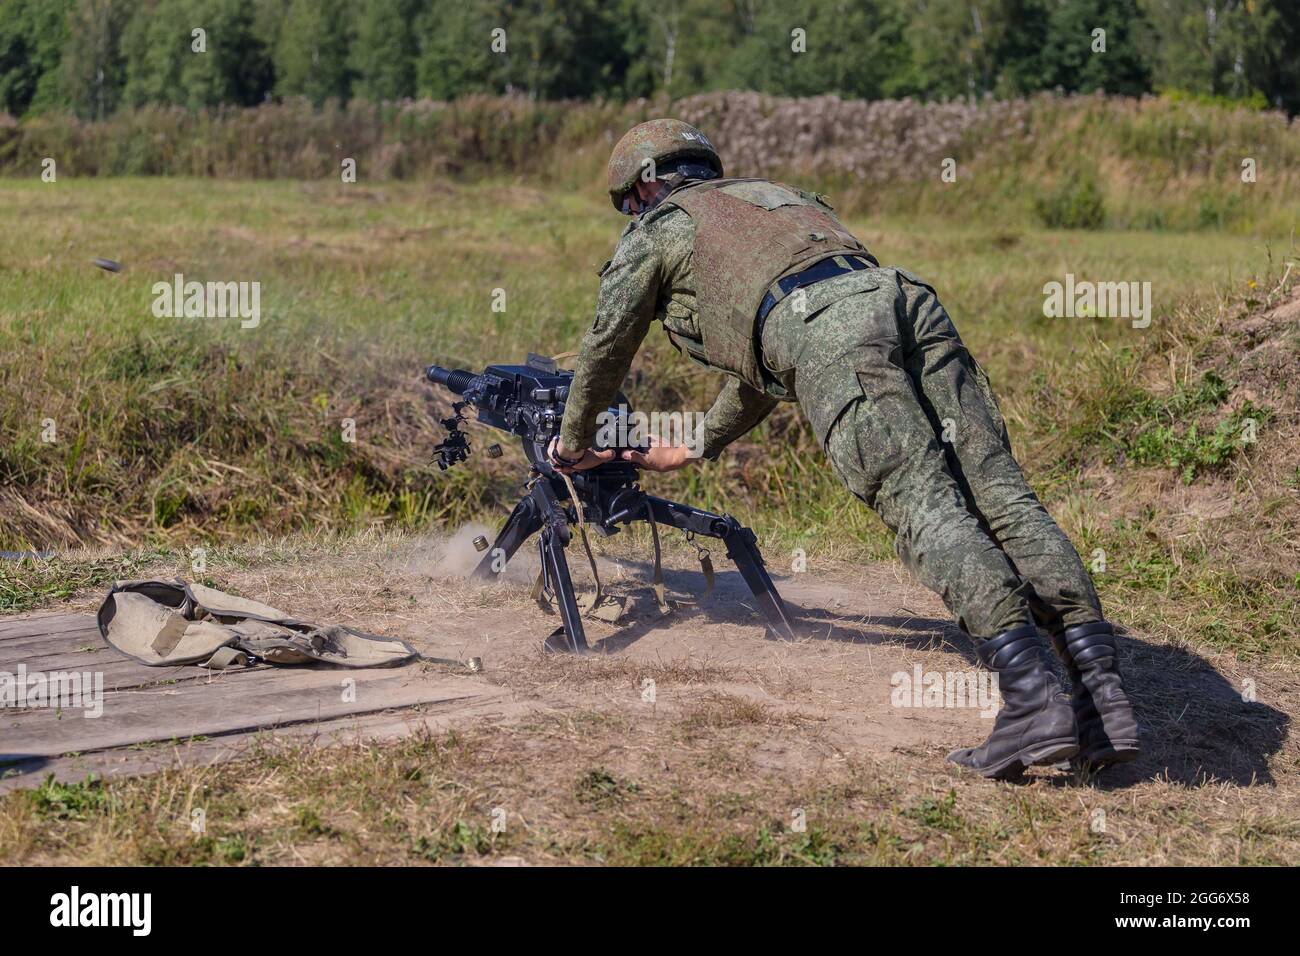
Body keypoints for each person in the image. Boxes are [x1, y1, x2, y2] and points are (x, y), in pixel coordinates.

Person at [547, 119, 1139, 779]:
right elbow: (774, 355)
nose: (632, 213)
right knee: (999, 493)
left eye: (629, 202)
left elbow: (608, 345)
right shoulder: (780, 200)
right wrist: (692, 444)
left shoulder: (662, 229)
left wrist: (574, 443)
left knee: (919, 496)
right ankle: (1101, 701)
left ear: (648, 182)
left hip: (834, 333)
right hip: (905, 300)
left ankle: (1032, 699)